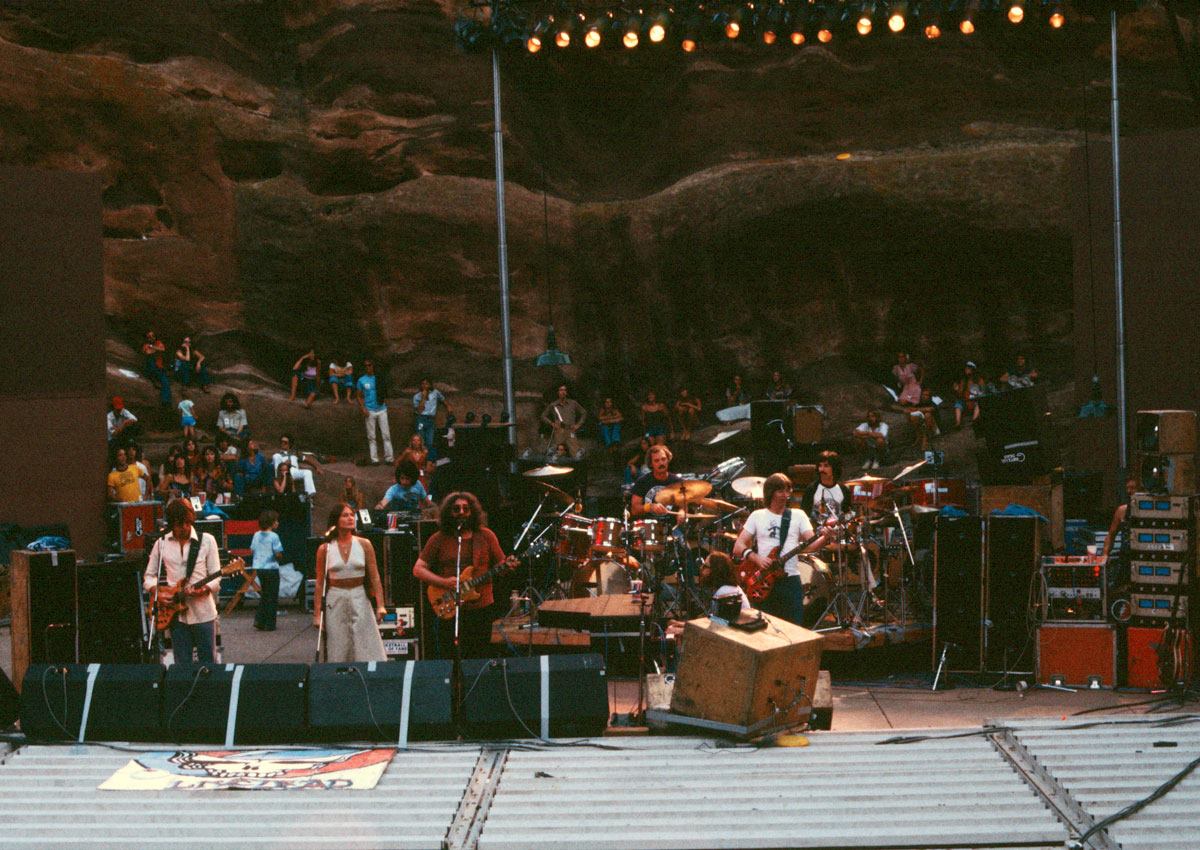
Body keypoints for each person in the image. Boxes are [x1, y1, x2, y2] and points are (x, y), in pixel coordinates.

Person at [412, 492, 511, 659]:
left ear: (473, 511)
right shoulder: (439, 538)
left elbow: (501, 564)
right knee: (449, 656)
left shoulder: (486, 536)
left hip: (481, 608)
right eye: (456, 509)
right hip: (449, 605)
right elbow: (418, 569)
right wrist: (444, 582)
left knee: (478, 657)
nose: (462, 513)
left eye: (466, 508)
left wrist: (508, 565)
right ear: (448, 513)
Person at [732, 472, 830, 626]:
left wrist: (826, 537)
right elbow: (738, 546)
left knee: (794, 627)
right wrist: (756, 558)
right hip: (763, 581)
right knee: (765, 628)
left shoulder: (798, 515)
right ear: (770, 493)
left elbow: (810, 545)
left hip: (790, 580)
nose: (785, 495)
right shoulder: (757, 516)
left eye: (788, 490)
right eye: (780, 491)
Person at [142, 498, 221, 663]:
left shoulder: (207, 541)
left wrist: (205, 588)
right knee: (182, 665)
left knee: (208, 664)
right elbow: (149, 576)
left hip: (203, 612)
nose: (184, 528)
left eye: (187, 523)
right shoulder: (161, 543)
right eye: (179, 524)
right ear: (171, 524)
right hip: (175, 614)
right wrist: (156, 592)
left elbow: (216, 575)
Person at [313, 502, 388, 662]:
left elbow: (375, 576)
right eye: (345, 515)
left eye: (351, 515)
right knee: (338, 644)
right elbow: (320, 583)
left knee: (365, 642)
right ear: (336, 520)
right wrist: (317, 614)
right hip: (335, 596)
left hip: (359, 594)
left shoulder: (364, 544)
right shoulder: (325, 548)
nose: (350, 518)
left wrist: (381, 604)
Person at [251, 509, 285, 632]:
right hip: (271, 568)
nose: (278, 523)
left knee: (265, 594)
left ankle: (260, 621)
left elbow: (252, 550)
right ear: (271, 523)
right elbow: (278, 553)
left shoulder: (256, 535)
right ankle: (270, 623)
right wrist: (279, 556)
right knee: (272, 596)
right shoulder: (274, 536)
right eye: (276, 521)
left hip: (259, 568)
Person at [357, 358, 394, 465]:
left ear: (373, 366)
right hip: (370, 410)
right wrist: (363, 408)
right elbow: (359, 396)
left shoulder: (379, 377)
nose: (368, 367)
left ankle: (389, 458)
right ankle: (375, 459)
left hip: (381, 409)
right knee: (371, 436)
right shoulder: (361, 380)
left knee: (386, 434)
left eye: (370, 365)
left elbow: (385, 391)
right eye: (366, 365)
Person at [630, 444, 682, 517]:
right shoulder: (642, 482)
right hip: (649, 526)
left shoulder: (677, 481)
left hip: (672, 525)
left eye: (663, 459)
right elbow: (634, 510)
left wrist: (682, 512)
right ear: (651, 464)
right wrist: (650, 507)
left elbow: (684, 505)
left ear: (668, 460)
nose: (661, 463)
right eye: (656, 461)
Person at [800, 450, 850, 521]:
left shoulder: (844, 490)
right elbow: (804, 515)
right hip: (816, 530)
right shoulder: (811, 489)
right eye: (820, 466)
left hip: (837, 530)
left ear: (835, 468)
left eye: (826, 466)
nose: (822, 469)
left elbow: (848, 514)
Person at [541, 384, 586, 458]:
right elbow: (543, 416)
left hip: (570, 430)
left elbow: (584, 413)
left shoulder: (573, 403)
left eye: (564, 390)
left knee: (576, 454)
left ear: (567, 392)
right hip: (559, 431)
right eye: (561, 390)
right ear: (558, 392)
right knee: (556, 454)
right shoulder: (554, 405)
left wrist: (578, 425)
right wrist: (552, 423)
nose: (563, 392)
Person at [412, 378, 447, 460]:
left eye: (426, 383)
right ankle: (420, 459)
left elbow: (442, 399)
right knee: (420, 439)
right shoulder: (416, 396)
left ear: (430, 385)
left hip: (430, 420)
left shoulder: (435, 393)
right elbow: (419, 410)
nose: (425, 386)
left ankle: (429, 460)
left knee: (430, 441)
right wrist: (423, 397)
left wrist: (448, 406)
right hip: (421, 420)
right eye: (423, 384)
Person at [141, 330, 171, 407]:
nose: (151, 338)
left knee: (165, 382)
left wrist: (152, 347)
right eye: (149, 337)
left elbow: (163, 349)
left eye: (152, 336)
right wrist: (156, 349)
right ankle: (153, 378)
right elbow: (148, 352)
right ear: (147, 338)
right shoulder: (145, 345)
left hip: (159, 368)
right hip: (151, 367)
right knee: (150, 360)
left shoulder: (158, 343)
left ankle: (166, 402)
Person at [953, 361, 985, 427]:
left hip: (975, 400)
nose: (966, 370)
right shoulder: (963, 380)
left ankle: (974, 420)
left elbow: (983, 391)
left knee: (979, 404)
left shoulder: (979, 380)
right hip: (966, 401)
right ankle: (958, 423)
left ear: (973, 370)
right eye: (966, 368)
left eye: (968, 368)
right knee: (958, 404)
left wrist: (977, 395)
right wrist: (957, 390)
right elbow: (960, 394)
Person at [908, 387, 940, 453]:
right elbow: (910, 409)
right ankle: (919, 436)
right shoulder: (919, 402)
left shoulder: (933, 403)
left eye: (927, 395)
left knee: (928, 415)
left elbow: (930, 409)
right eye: (923, 395)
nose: (924, 396)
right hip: (923, 424)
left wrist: (917, 409)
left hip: (934, 427)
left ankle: (925, 439)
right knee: (913, 416)